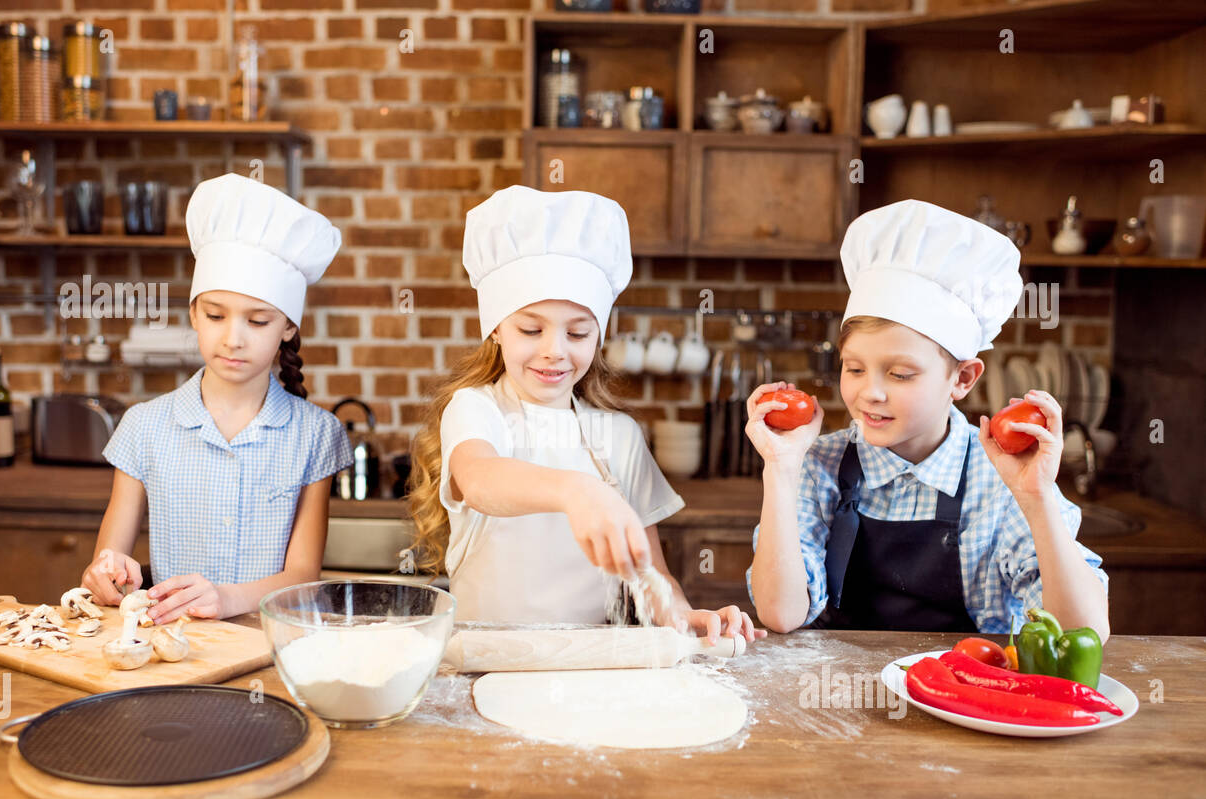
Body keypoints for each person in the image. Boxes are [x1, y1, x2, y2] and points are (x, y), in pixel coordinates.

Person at [408, 185, 761, 644]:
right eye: (531, 329)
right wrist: (577, 491)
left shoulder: (619, 436)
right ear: (495, 328)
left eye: (577, 333)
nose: (554, 351)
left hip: (590, 667)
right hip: (488, 660)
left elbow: (652, 576)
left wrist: (681, 617)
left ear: (598, 336)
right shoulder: (476, 409)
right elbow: (479, 479)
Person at [746, 198, 1109, 639]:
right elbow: (781, 614)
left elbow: (1082, 633)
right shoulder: (817, 464)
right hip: (838, 690)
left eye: (900, 374)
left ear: (962, 378)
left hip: (970, 695)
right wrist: (780, 469)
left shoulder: (998, 479)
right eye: (854, 368)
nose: (870, 392)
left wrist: (1036, 499)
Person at [81, 173, 352, 625]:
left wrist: (225, 599)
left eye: (258, 321)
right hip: (174, 648)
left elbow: (303, 574)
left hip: (269, 646)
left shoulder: (315, 434)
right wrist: (106, 576)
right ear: (193, 313)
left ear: (288, 327)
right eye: (215, 314)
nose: (233, 339)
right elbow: (108, 561)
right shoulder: (144, 426)